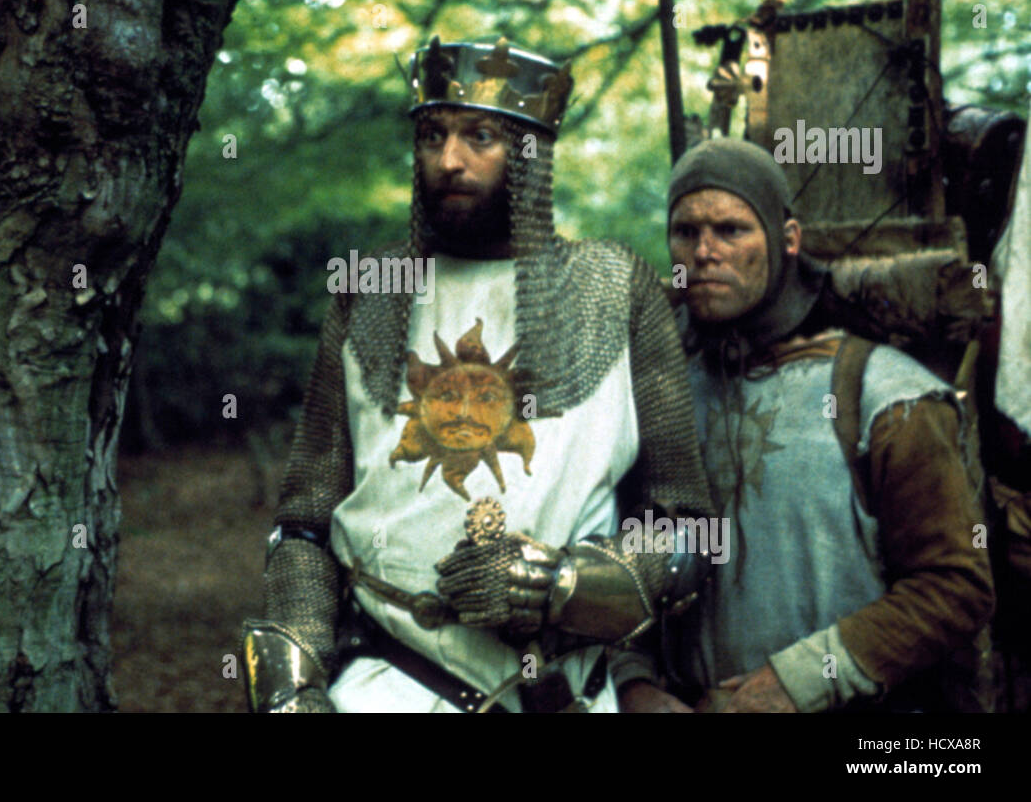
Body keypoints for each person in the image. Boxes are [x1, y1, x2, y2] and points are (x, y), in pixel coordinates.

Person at [240, 37, 718, 712]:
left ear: (527, 153)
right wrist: (292, 689)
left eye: (481, 135)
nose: (449, 159)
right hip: (384, 686)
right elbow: (304, 526)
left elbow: (686, 531)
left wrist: (560, 584)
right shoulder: (373, 290)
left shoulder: (615, 290)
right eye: (431, 135)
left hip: (559, 691)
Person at [614, 137, 995, 713]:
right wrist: (634, 682)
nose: (704, 252)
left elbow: (956, 586)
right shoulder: (655, 393)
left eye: (731, 230)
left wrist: (797, 680)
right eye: (686, 232)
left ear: (787, 239)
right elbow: (624, 558)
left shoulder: (886, 395)